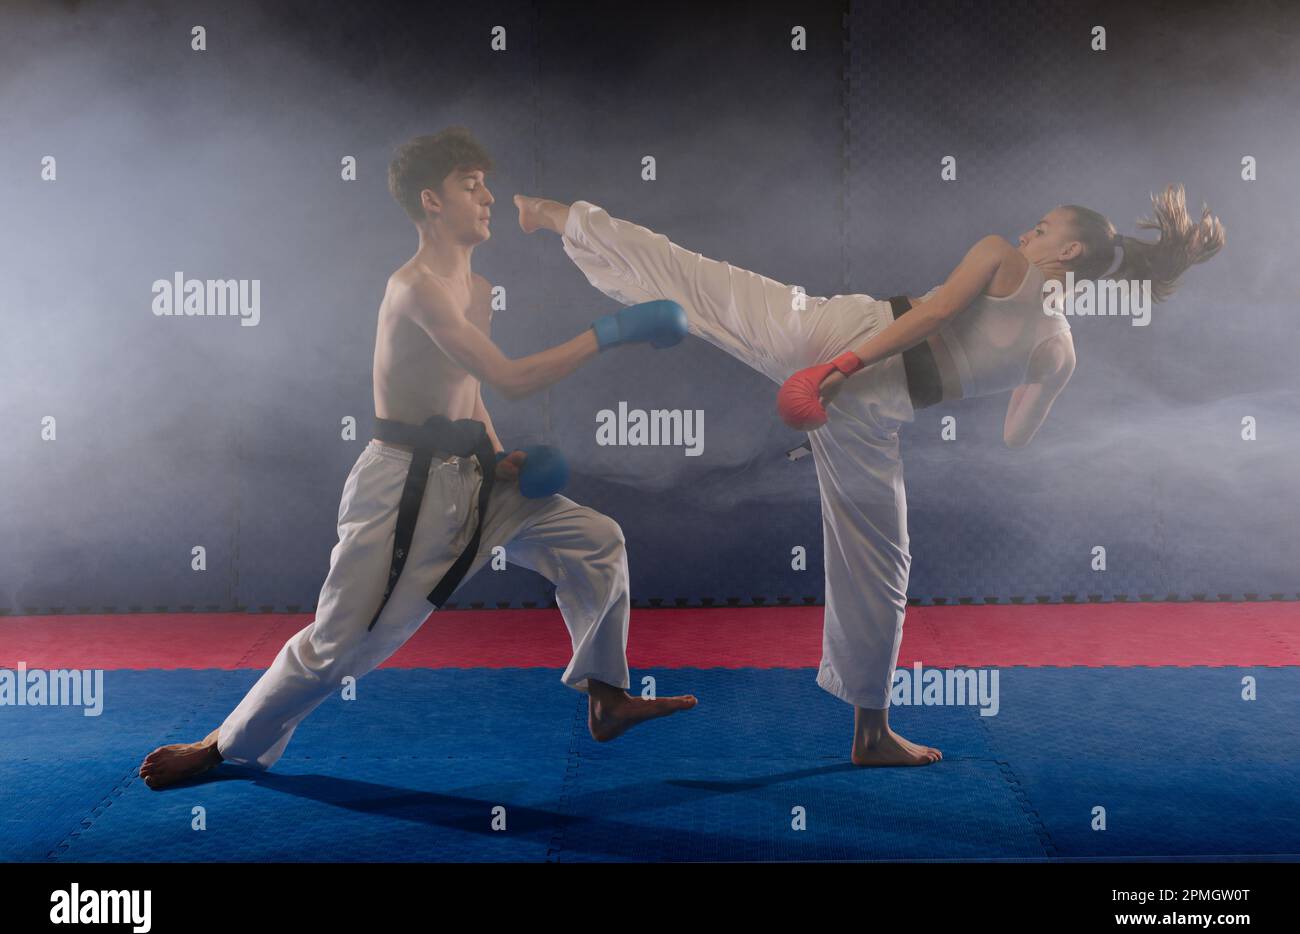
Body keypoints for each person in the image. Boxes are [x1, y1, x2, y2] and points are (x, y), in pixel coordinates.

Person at [515, 184, 1224, 766]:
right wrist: (1017, 374)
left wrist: (834, 369)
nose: (1026, 230)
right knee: (880, 564)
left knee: (696, 281)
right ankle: (872, 732)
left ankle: (552, 214)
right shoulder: (1061, 352)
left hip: (842, 346)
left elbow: (938, 312)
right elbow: (1014, 436)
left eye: (1042, 227)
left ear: (1067, 248)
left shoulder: (1002, 257)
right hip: (872, 407)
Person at [139, 128, 696, 790]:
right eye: (472, 184)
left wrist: (497, 457)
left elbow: (472, 389)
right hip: (402, 488)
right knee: (341, 645)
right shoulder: (416, 287)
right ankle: (224, 745)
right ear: (432, 200)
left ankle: (606, 696)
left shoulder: (478, 286)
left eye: (486, 182)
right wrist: (617, 329)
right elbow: (513, 377)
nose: (487, 196)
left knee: (596, 539)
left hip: (476, 480)